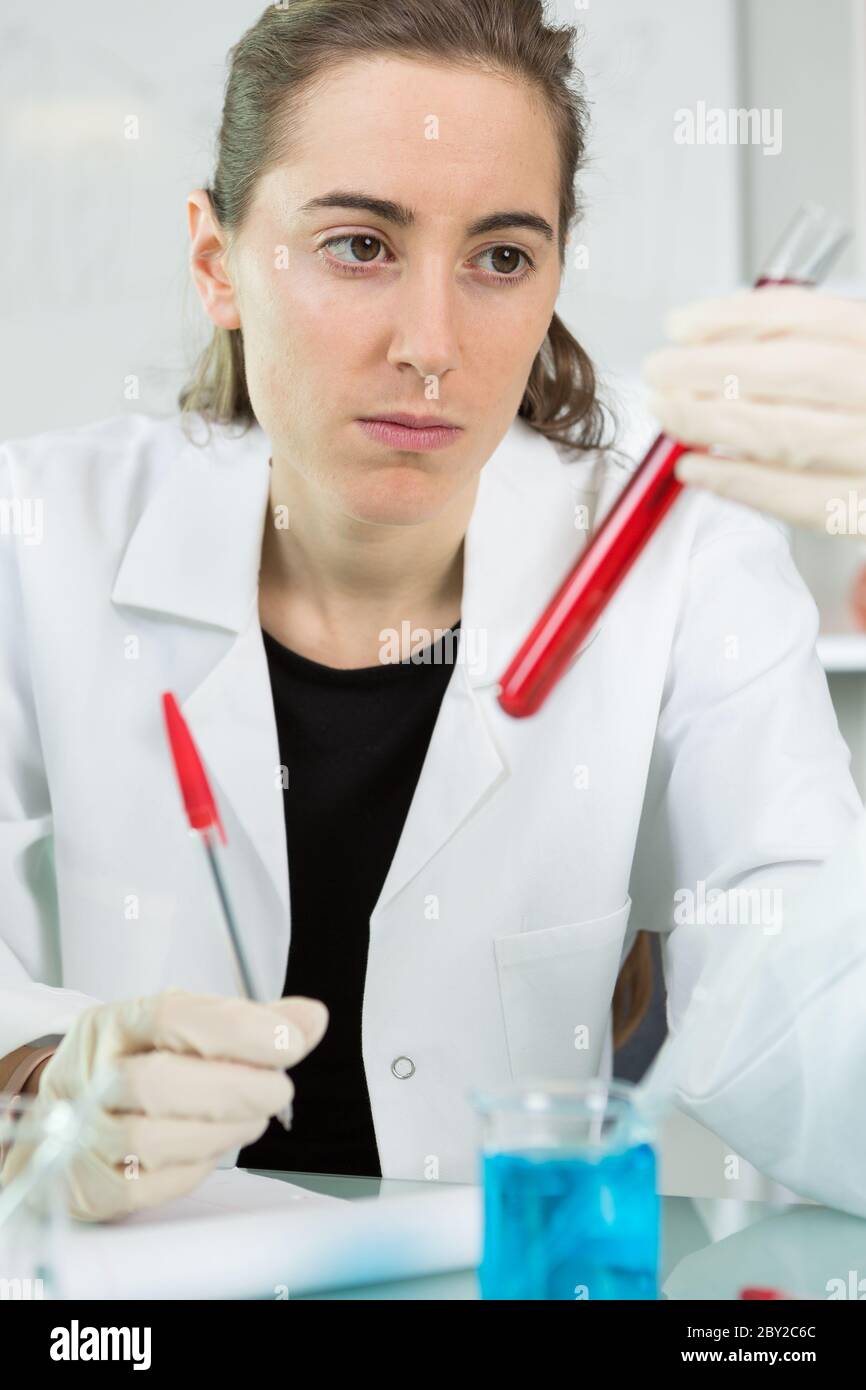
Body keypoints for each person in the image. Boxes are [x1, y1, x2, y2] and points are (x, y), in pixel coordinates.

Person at [0, 0, 863, 1223]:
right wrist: (39, 1085)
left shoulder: (686, 556)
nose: (431, 344)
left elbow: (817, 1057)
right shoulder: (37, 532)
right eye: (359, 244)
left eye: (500, 257)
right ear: (217, 262)